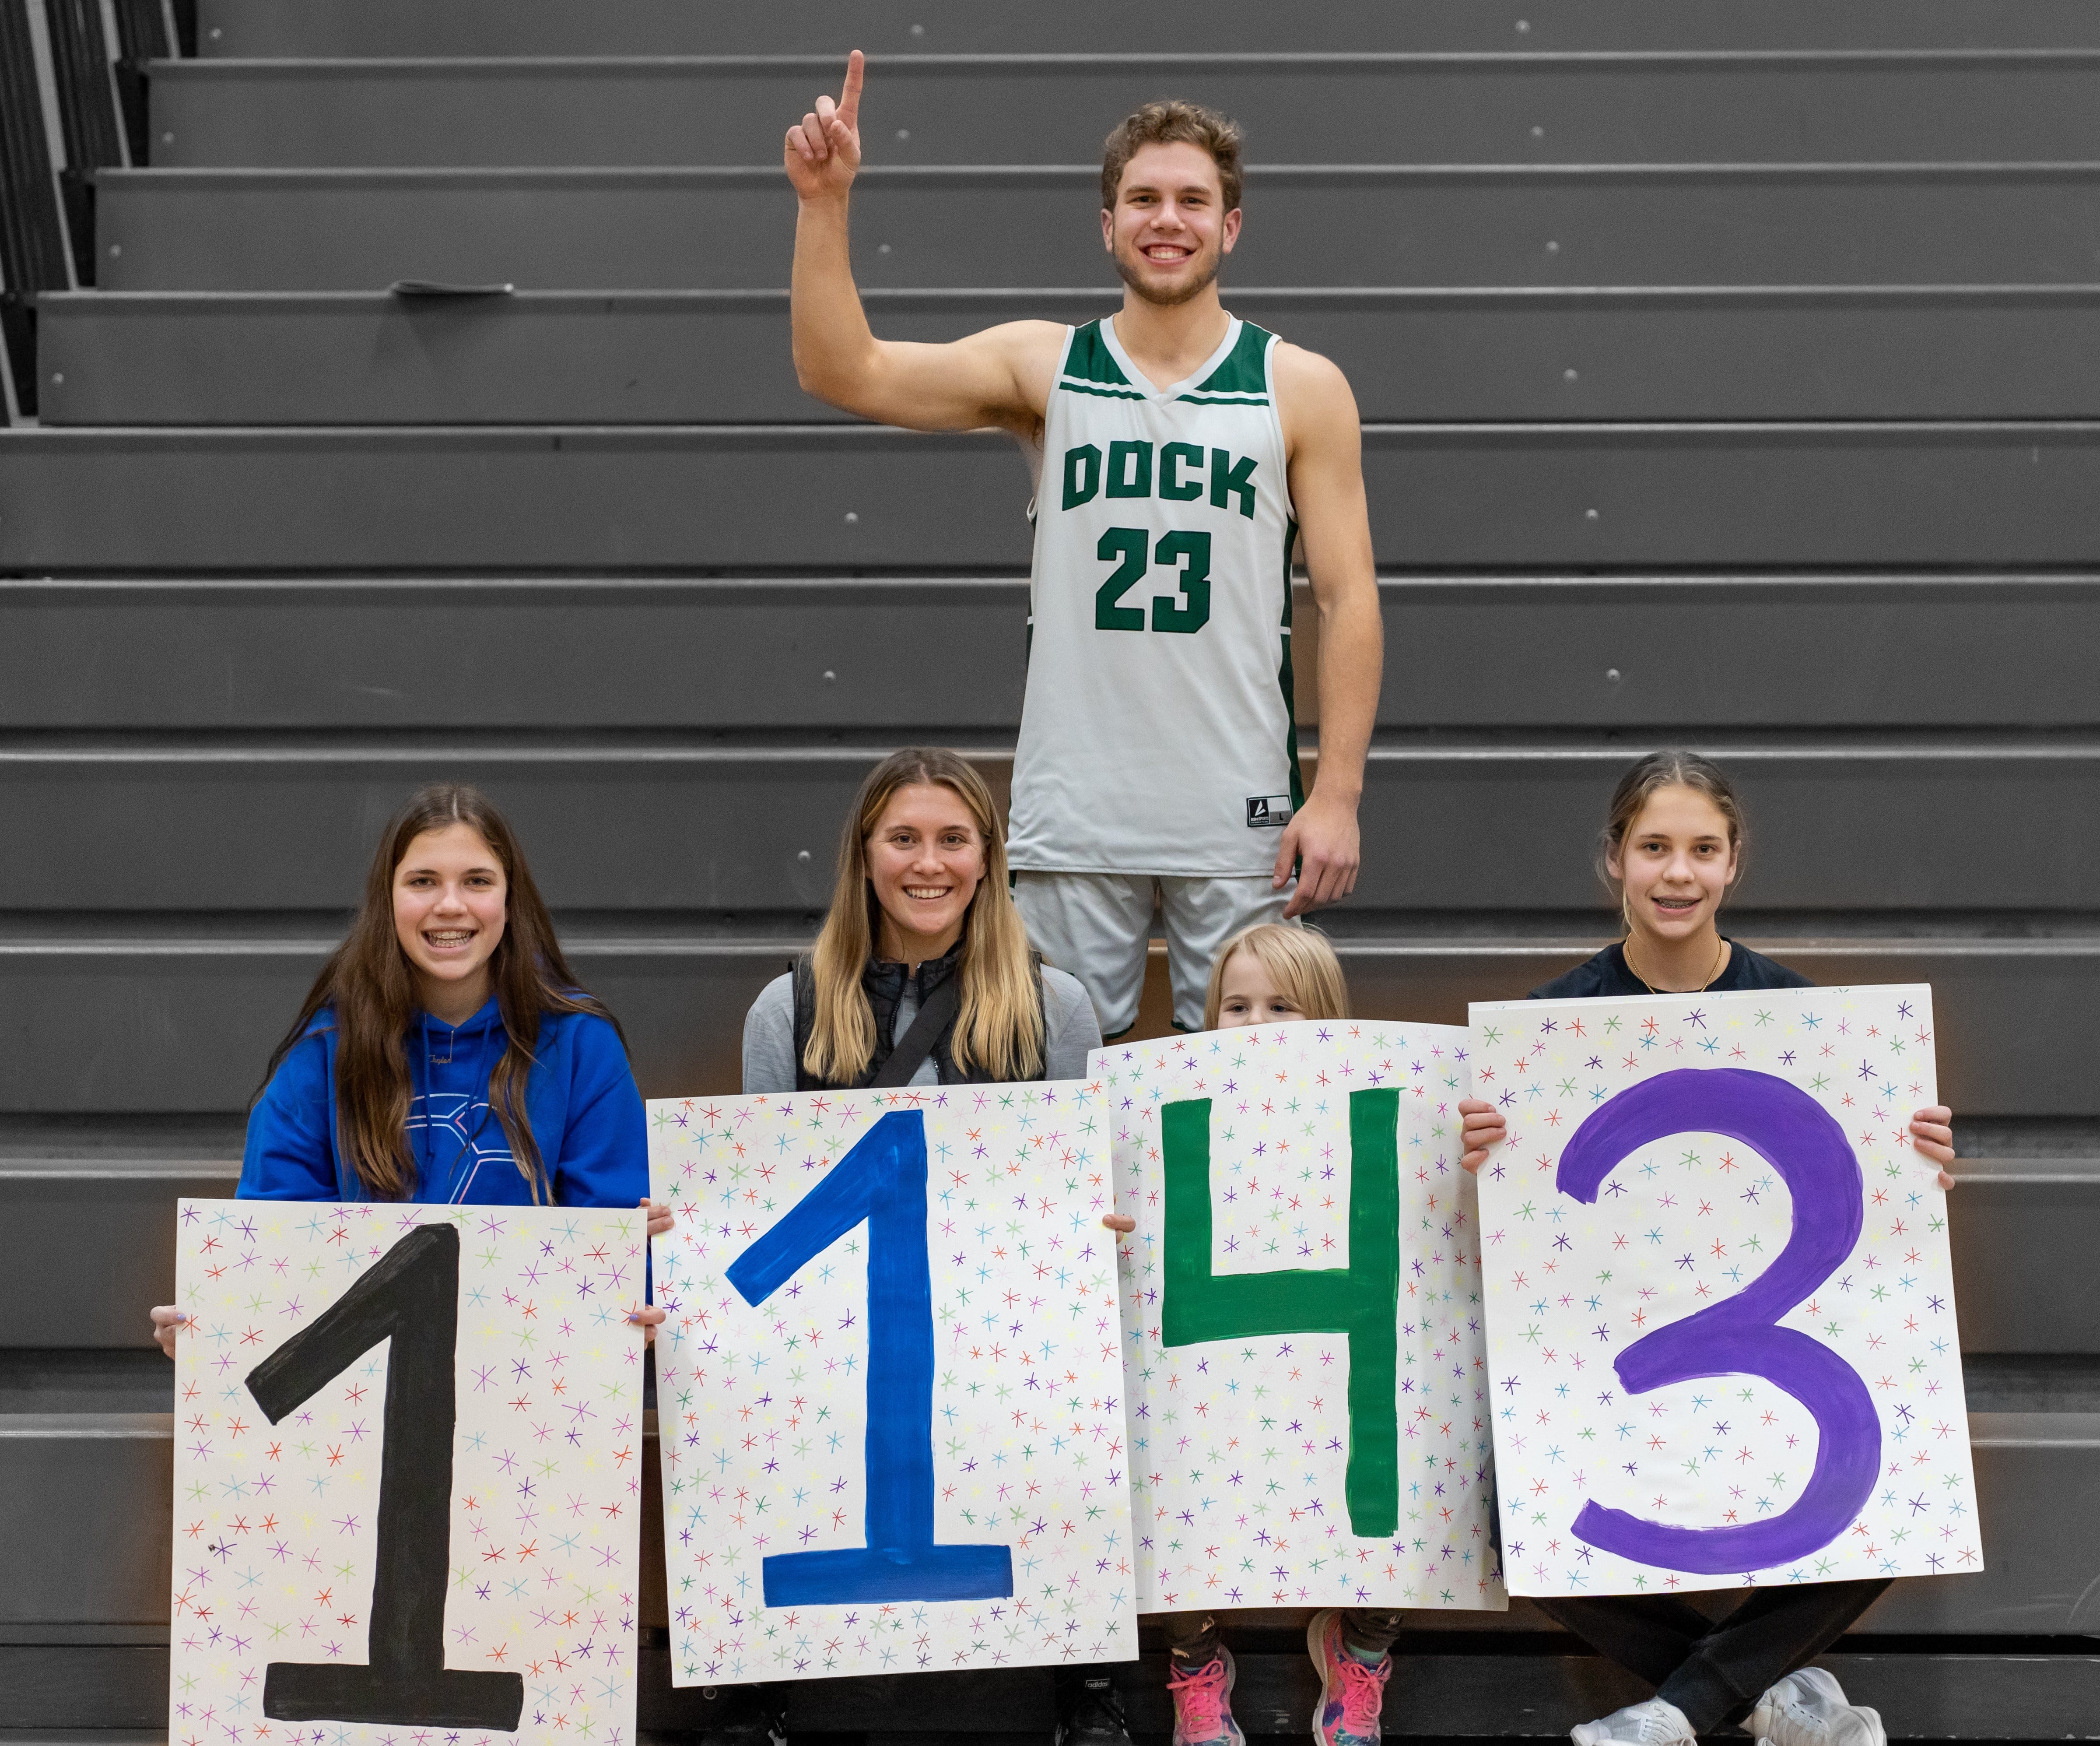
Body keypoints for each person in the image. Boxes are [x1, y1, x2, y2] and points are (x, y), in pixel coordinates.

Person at [782, 56, 1384, 1040]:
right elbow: (842, 369)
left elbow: (1348, 598)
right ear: (1106, 224)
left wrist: (1338, 794)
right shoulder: (1047, 367)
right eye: (1141, 198)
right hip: (1075, 814)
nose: (1166, 219)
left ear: (1228, 226)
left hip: (1239, 815)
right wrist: (823, 202)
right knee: (1055, 1101)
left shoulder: (1298, 384)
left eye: (1192, 200)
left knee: (1253, 1102)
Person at [1457, 751, 1957, 1746]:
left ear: (1733, 863)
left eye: (1699, 848)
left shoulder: (1809, 1021)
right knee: (1500, 1511)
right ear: (1613, 860)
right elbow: (1515, 1238)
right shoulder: (1548, 1025)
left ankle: (1677, 1707)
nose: (1675, 871)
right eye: (1652, 847)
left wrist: (1917, 1168)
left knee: (1908, 1468)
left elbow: (1866, 1212)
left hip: (1772, 1367)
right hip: (1620, 1367)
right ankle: (1769, 1695)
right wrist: (1480, 1158)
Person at [150, 782, 669, 1357]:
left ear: (509, 899)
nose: (450, 905)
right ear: (388, 899)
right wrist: (216, 1322)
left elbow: (615, 1232)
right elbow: (276, 1246)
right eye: (423, 881)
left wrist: (639, 1293)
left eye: (477, 880)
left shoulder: (580, 1046)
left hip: (529, 1394)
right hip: (359, 1412)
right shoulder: (325, 1052)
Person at [1097, 924, 1409, 1746]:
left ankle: (1364, 1642)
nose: (1255, 1022)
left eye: (1282, 1005)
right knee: (1156, 1454)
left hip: (1337, 1359)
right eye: (1234, 1005)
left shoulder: (1380, 1110)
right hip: (1212, 1363)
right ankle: (1194, 1655)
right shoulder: (1165, 1108)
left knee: (1414, 1440)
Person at [741, 745, 1102, 1094]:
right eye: (903, 839)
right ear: (864, 858)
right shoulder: (783, 1013)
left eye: (952, 839)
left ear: (984, 860)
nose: (929, 864)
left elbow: (1090, 1156)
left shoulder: (1059, 1008)